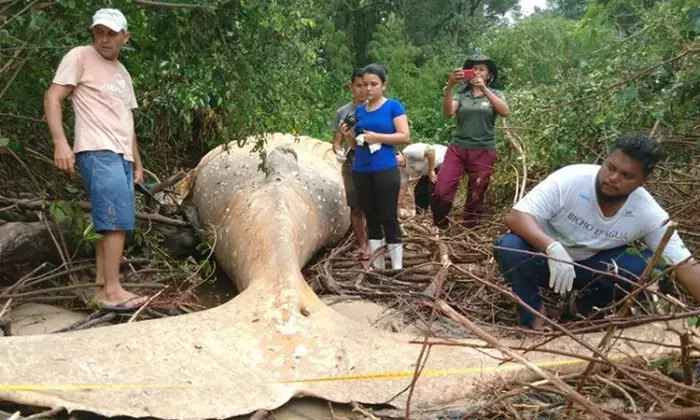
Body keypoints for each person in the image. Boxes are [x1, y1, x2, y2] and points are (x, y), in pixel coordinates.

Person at [493, 133, 700, 329]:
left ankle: (584, 308)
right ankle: (534, 315)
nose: (612, 178)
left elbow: (685, 265)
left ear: (642, 182)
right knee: (510, 247)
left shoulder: (647, 212)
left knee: (651, 266)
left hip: (592, 267)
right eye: (610, 167)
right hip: (545, 260)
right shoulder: (571, 180)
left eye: (626, 175)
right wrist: (552, 247)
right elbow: (516, 216)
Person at [44, 8, 148, 312]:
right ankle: (113, 292)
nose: (104, 39)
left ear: (124, 37)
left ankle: (103, 285)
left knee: (112, 221)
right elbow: (53, 97)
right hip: (96, 148)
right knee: (115, 221)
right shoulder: (80, 56)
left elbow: (126, 120)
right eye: (99, 32)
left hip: (121, 155)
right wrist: (60, 143)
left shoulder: (122, 74)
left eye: (111, 33)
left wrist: (137, 163)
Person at [340, 64, 410, 270]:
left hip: (385, 167)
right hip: (361, 169)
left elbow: (404, 136)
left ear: (383, 85)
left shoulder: (393, 107)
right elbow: (354, 146)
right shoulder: (359, 111)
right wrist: (348, 135)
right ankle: (378, 264)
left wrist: (376, 137)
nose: (368, 89)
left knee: (388, 215)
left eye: (374, 84)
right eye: (364, 85)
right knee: (371, 216)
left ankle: (397, 265)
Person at [431, 54, 510, 229]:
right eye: (474, 69)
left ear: (489, 75)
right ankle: (440, 228)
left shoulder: (496, 94)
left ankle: (467, 234)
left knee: (475, 196)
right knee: (441, 192)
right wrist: (450, 85)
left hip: (484, 150)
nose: (477, 72)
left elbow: (505, 112)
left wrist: (485, 90)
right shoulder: (462, 95)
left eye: (481, 69)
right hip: (458, 149)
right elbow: (447, 114)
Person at [332, 69, 369, 259]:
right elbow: (337, 141)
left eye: (367, 85)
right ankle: (362, 245)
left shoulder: (378, 108)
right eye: (359, 86)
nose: (363, 90)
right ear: (351, 87)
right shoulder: (343, 112)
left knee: (375, 204)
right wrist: (338, 151)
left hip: (374, 159)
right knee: (355, 205)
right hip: (353, 160)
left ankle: (376, 242)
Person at [396, 143, 447, 215]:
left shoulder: (408, 152)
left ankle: (437, 216)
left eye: (396, 159)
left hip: (442, 161)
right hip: (428, 171)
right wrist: (398, 205)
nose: (398, 163)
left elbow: (431, 151)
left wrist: (431, 171)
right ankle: (420, 214)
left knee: (431, 188)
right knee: (419, 191)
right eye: (395, 163)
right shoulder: (401, 169)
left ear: (399, 153)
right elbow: (402, 188)